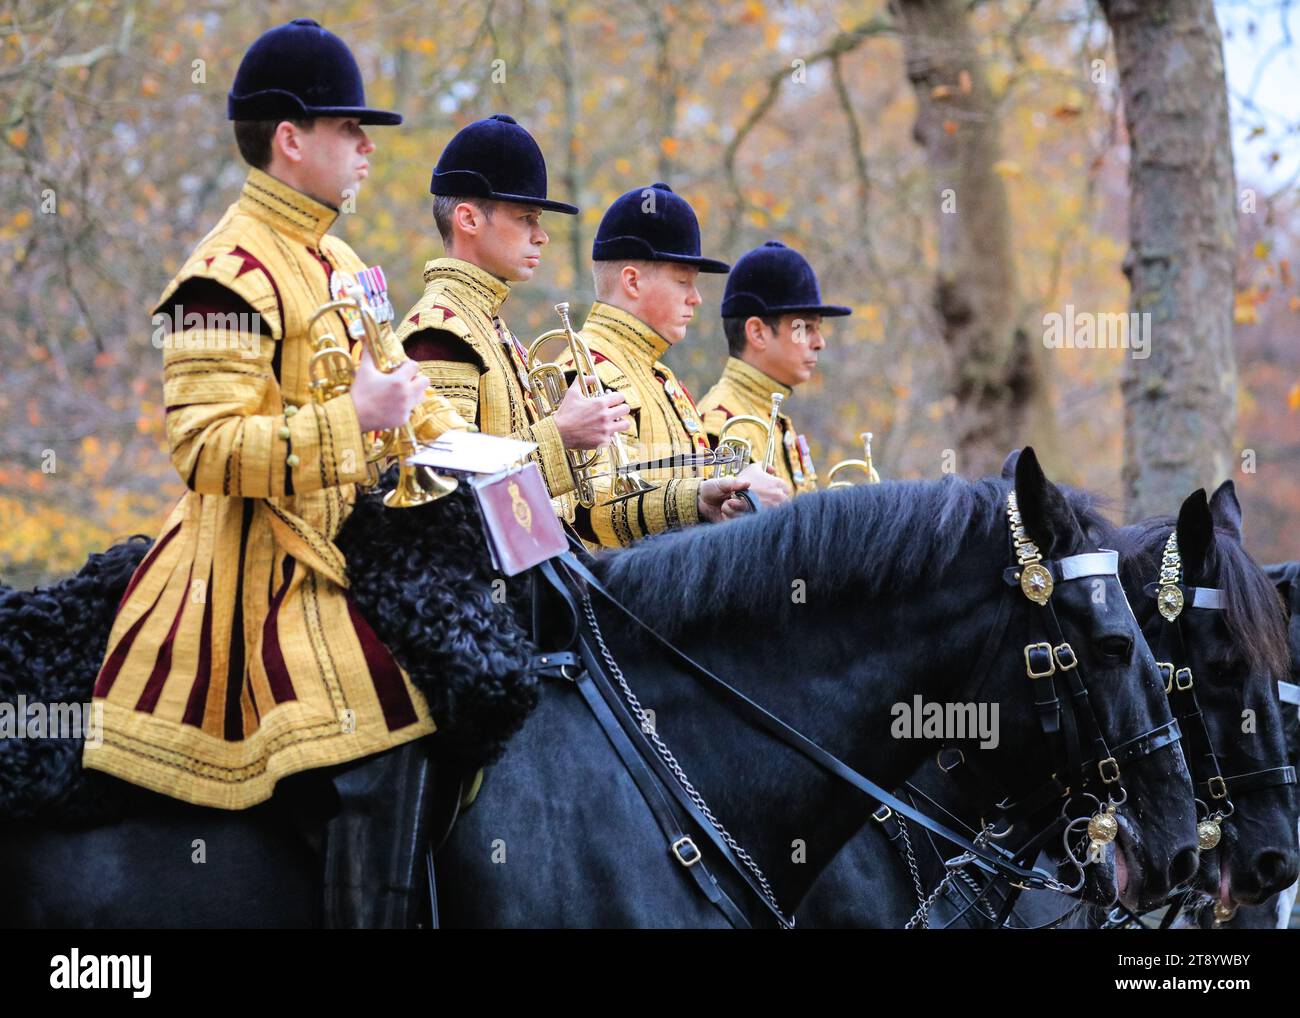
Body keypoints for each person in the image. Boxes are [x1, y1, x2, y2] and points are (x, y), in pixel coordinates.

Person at [82, 18, 459, 926]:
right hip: (256, 572)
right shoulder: (222, 274)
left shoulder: (339, 258)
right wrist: (352, 419)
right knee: (388, 720)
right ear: (291, 140)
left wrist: (491, 459)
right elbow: (205, 449)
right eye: (350, 129)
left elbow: (404, 386)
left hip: (353, 545)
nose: (369, 148)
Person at [396, 114, 630, 519]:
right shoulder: (441, 329)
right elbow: (444, 487)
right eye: (526, 218)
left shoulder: (486, 323)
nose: (542, 235)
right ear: (468, 219)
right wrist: (561, 435)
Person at [567, 183, 789, 549]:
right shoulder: (590, 368)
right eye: (683, 281)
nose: (696, 297)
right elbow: (593, 511)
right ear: (632, 281)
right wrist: (698, 499)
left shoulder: (660, 377)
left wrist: (735, 494)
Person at [698, 241, 851, 494]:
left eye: (818, 328)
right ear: (757, 332)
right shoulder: (725, 424)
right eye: (805, 328)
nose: (820, 342)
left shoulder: (770, 417)